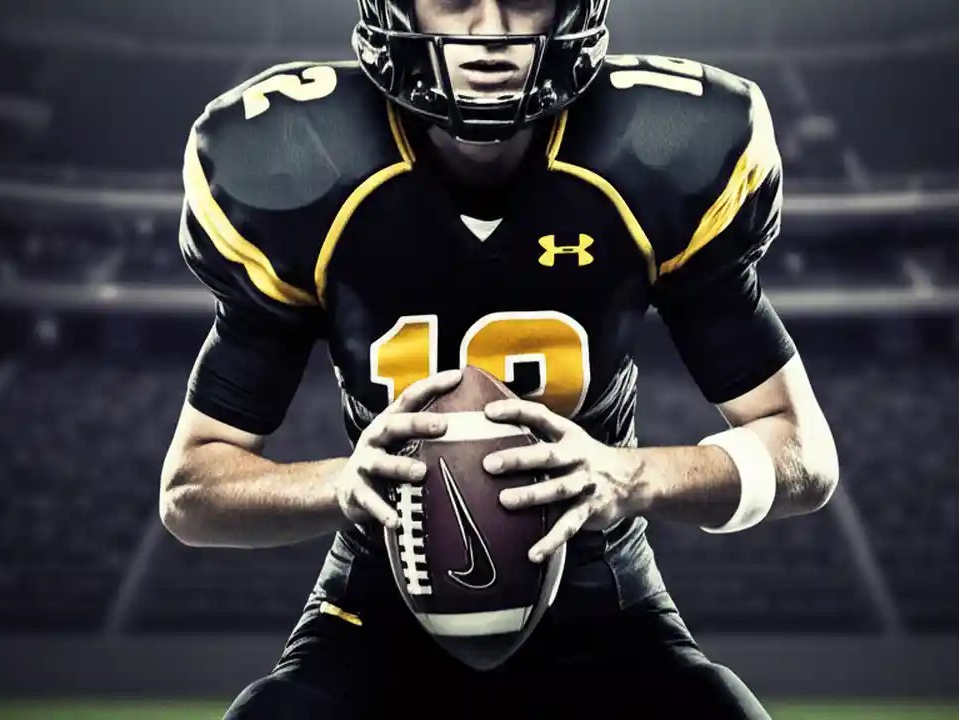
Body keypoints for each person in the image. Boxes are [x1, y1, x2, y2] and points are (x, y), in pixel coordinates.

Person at [161, 1, 839, 717]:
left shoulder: (667, 147)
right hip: (375, 607)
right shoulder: (295, 158)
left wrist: (633, 475)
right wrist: (341, 484)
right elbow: (190, 490)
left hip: (602, 595)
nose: (489, 31)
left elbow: (804, 454)